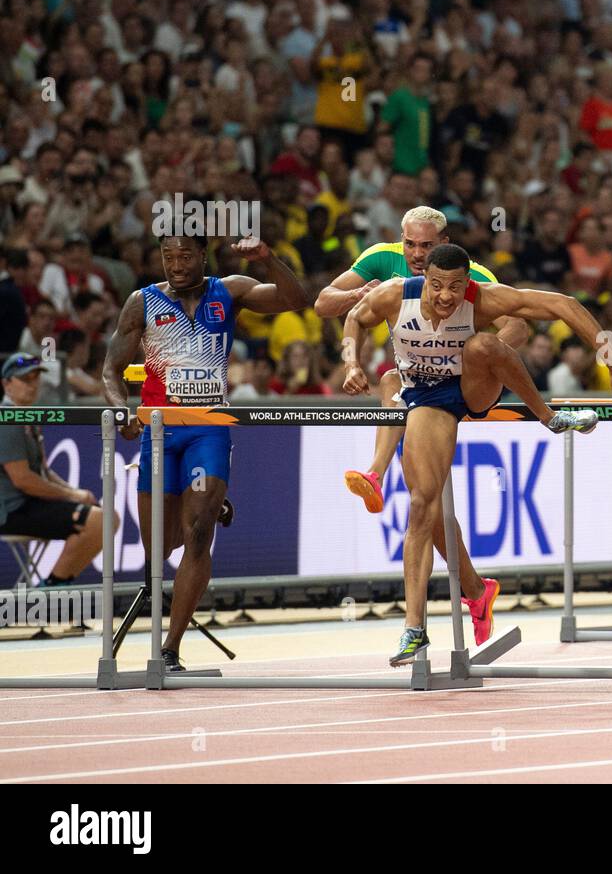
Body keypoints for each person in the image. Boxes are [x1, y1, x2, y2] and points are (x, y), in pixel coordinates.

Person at [341, 242, 612, 665]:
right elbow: (354, 317)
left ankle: (548, 417)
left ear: (468, 284)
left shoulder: (484, 299)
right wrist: (352, 363)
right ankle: (415, 629)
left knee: (483, 346)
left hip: (468, 386)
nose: (446, 297)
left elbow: (565, 305)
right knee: (422, 506)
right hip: (426, 396)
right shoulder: (394, 293)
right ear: (423, 277)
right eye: (438, 286)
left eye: (456, 288)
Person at [102, 232, 308, 672]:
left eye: (184, 256)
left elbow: (295, 299)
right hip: (159, 431)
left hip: (209, 427)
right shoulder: (142, 302)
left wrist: (268, 257)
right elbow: (110, 371)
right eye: (167, 256)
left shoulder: (229, 290)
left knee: (196, 534)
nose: (175, 264)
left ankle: (169, 648)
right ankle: (212, 505)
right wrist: (122, 411)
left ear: (202, 256)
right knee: (159, 546)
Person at [314, 205, 527, 513]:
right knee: (427, 509)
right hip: (416, 382)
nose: (416, 253)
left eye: (426, 246)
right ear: (401, 240)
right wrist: (358, 294)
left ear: (443, 243)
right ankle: (375, 475)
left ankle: (376, 473)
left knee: (426, 506)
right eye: (410, 244)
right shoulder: (382, 258)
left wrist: (473, 360)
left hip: (462, 384)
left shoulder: (472, 274)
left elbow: (518, 327)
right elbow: (323, 303)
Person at [0, 353, 116, 585]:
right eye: (25, 379)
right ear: (7, 383)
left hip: (28, 504)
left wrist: (76, 492)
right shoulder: (7, 420)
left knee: (103, 516)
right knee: (99, 520)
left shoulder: (28, 416)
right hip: (10, 510)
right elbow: (22, 479)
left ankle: (56, 586)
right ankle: (50, 590)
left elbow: (43, 470)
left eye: (35, 379)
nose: (32, 385)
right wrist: (72, 495)